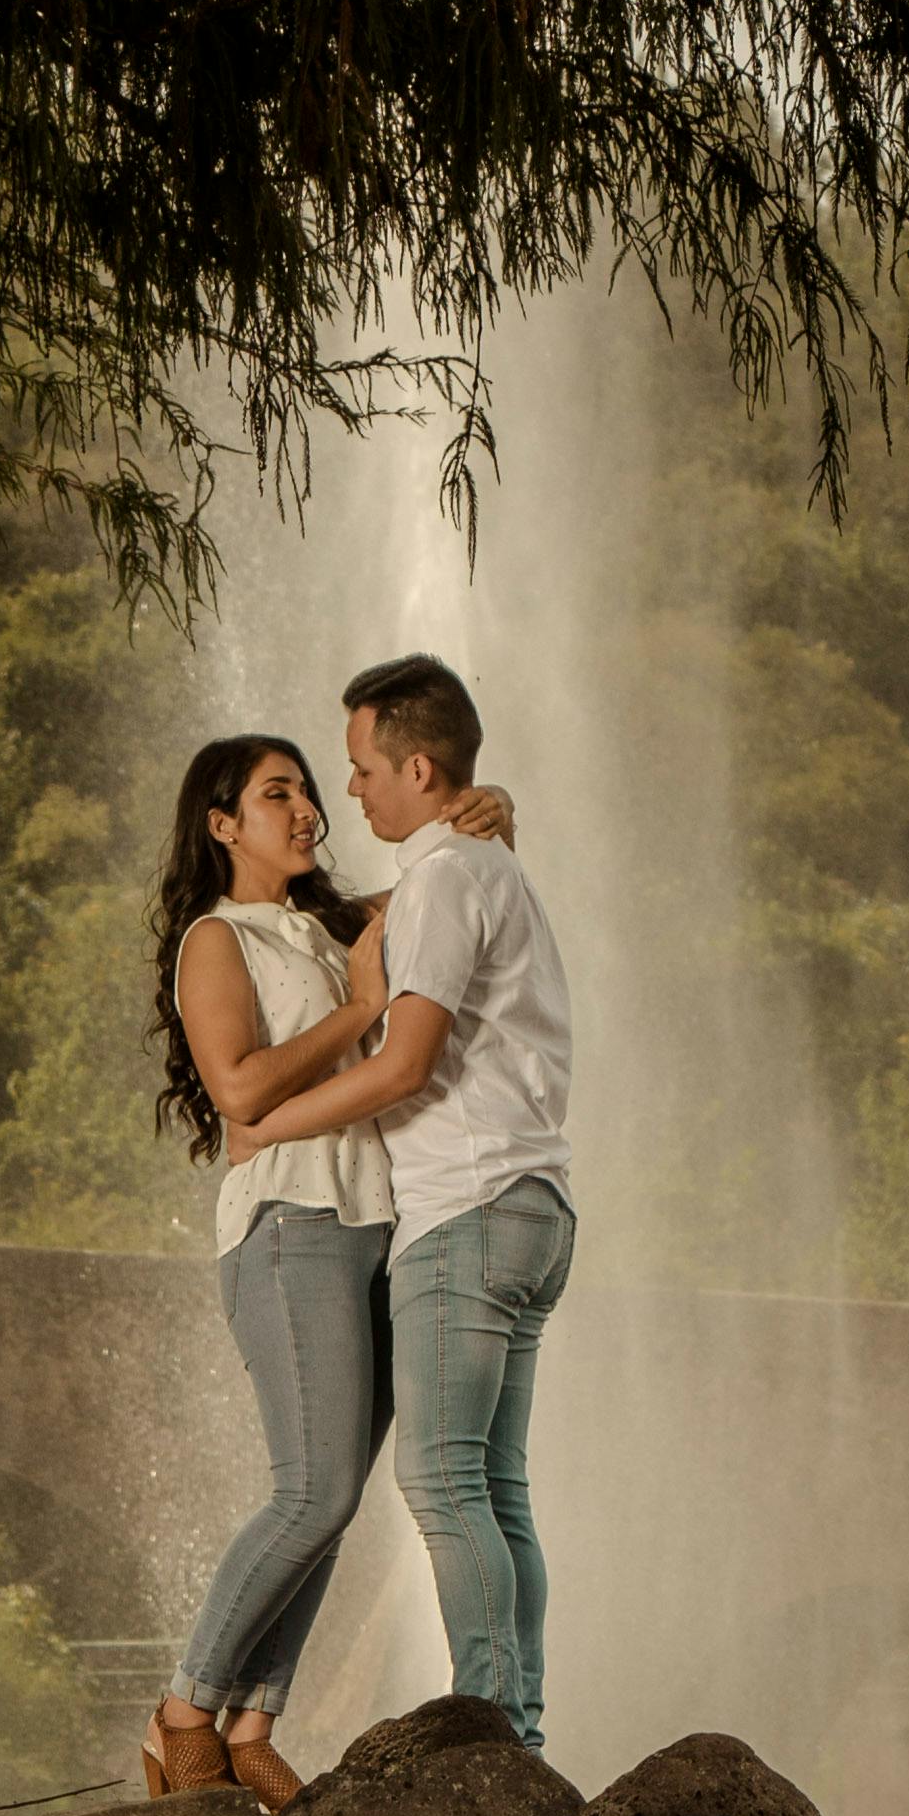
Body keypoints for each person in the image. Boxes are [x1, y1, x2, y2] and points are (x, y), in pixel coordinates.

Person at [143, 731, 517, 1808]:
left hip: (377, 1227)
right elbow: (239, 1091)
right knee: (310, 1490)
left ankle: (254, 1719)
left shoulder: (335, 926)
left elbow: (447, 900)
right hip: (287, 1225)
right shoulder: (216, 942)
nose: (306, 809)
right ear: (222, 825)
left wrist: (484, 812)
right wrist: (357, 1013)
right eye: (276, 794)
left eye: (308, 790)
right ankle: (182, 1712)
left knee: (337, 1495)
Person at [230, 655, 574, 1749]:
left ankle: (494, 1737)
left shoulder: (440, 877)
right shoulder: (483, 868)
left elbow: (406, 1066)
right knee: (496, 1488)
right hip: (534, 1204)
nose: (350, 797)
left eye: (362, 771)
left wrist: (268, 1127)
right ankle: (518, 1727)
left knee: (440, 1481)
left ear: (416, 767)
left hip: (464, 1212)